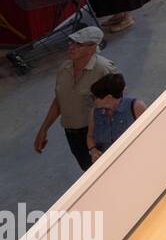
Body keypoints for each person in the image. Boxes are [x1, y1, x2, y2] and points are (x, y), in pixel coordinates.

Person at [34, 27, 118, 173]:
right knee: (89, 172)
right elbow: (60, 100)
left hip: (97, 132)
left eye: (78, 44)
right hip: (72, 133)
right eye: (71, 42)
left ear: (92, 48)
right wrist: (43, 129)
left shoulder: (103, 70)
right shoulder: (64, 69)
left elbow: (118, 101)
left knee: (108, 171)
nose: (71, 47)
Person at [87, 73, 148, 163]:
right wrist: (93, 151)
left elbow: (150, 133)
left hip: (136, 160)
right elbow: (90, 136)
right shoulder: (94, 113)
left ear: (108, 98)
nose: (92, 100)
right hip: (108, 163)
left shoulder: (136, 107)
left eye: (95, 97)